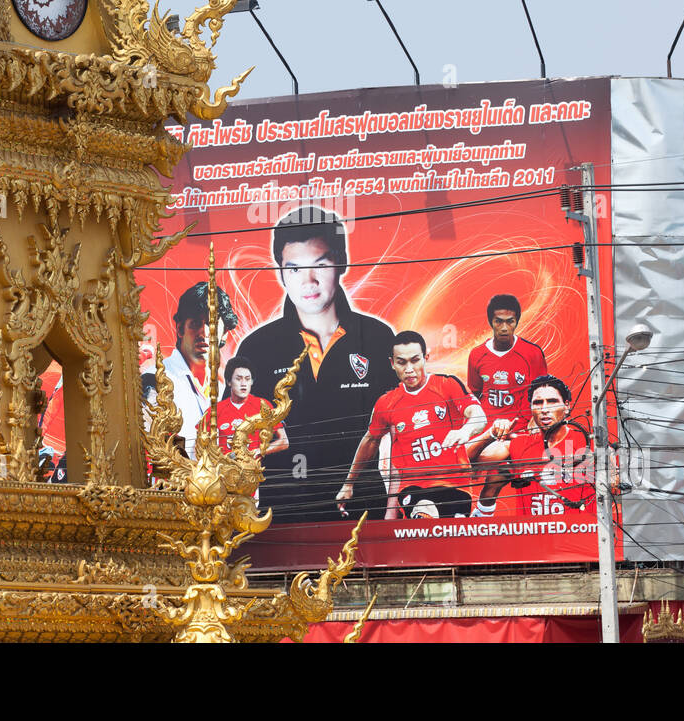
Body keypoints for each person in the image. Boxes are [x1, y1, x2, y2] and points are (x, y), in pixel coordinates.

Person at [235, 206, 397, 525]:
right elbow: (244, 435)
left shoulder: (378, 338)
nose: (308, 281)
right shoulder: (256, 348)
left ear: (341, 262)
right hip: (283, 511)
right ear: (281, 272)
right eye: (294, 269)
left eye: (320, 265)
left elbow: (395, 425)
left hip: (365, 505)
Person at [336, 331, 487, 521]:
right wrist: (348, 484)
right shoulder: (386, 403)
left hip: (455, 486)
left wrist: (465, 431)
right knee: (425, 509)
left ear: (426, 358)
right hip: (413, 489)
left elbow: (478, 415)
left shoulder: (447, 385)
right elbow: (370, 440)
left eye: (415, 360)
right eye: (402, 362)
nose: (409, 369)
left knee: (448, 535)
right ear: (392, 363)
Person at [472, 374, 591, 518]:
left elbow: (615, 486)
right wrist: (490, 434)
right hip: (532, 536)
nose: (544, 409)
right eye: (538, 403)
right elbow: (465, 463)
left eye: (552, 401)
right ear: (531, 408)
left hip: (577, 536)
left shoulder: (588, 443)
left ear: (566, 406)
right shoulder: (519, 445)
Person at [164, 281, 239, 458]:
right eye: (195, 323)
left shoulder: (224, 390)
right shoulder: (157, 380)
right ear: (180, 329)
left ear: (224, 333)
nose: (204, 333)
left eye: (211, 324)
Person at [465, 293, 548, 451]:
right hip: (488, 432)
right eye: (499, 321)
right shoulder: (477, 354)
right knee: (487, 473)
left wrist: (534, 422)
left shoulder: (532, 353)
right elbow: (475, 395)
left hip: (521, 430)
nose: (504, 328)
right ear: (491, 322)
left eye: (510, 321)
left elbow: (543, 392)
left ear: (516, 322)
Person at [209, 357, 289, 457]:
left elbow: (284, 441)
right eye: (238, 379)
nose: (243, 384)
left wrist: (259, 451)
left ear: (251, 382)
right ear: (229, 382)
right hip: (223, 470)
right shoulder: (216, 410)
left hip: (252, 470)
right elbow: (199, 443)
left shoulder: (262, 405)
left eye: (247, 379)